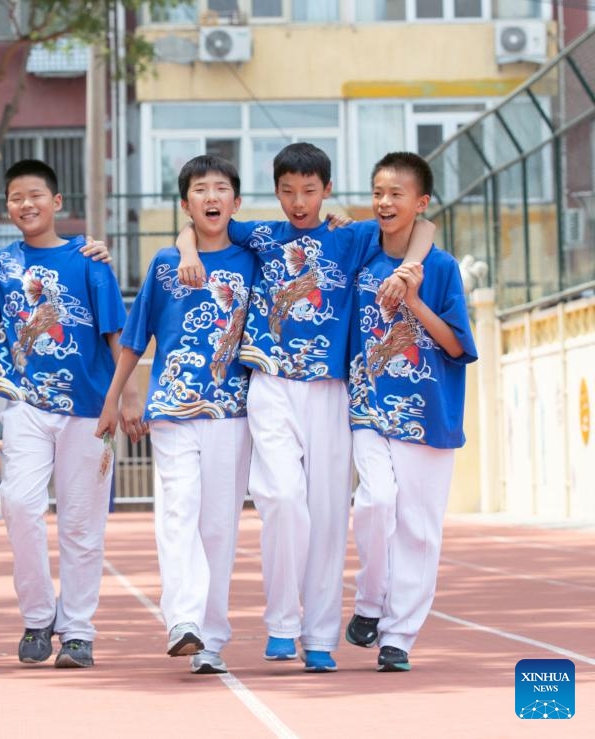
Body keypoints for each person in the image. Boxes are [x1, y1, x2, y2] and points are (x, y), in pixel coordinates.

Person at [175, 142, 434, 672]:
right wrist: (185, 251)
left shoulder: (349, 234)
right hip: (270, 383)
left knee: (329, 513)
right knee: (281, 497)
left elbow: (426, 230)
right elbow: (199, 229)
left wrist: (408, 269)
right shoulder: (263, 234)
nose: (298, 201)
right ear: (275, 193)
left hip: (331, 389)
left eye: (309, 192)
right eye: (288, 192)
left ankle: (318, 636)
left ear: (328, 191)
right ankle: (281, 623)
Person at [97, 154, 254, 675]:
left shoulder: (254, 258)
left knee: (218, 528)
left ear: (236, 200)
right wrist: (118, 397)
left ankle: (210, 638)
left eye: (221, 188)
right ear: (186, 203)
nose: (212, 197)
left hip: (232, 414)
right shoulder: (166, 264)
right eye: (200, 190)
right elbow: (136, 337)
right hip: (173, 410)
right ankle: (183, 622)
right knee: (178, 513)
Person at [0, 159, 134, 669]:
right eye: (15, 197)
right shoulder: (1, 264)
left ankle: (77, 630)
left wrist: (124, 398)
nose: (25, 204)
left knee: (80, 524)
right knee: (19, 504)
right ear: (7, 207)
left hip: (89, 411)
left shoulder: (90, 260)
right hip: (26, 405)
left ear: (57, 203)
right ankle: (37, 616)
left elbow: (119, 334)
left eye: (35, 195)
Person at [345, 152, 478, 672]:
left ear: (419, 203)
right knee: (374, 503)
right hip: (368, 407)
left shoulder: (441, 269)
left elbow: (455, 345)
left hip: (429, 416)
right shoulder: (359, 252)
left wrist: (415, 298)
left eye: (397, 194)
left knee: (419, 528)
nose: (384, 202)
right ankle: (370, 601)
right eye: (378, 191)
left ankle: (398, 636)